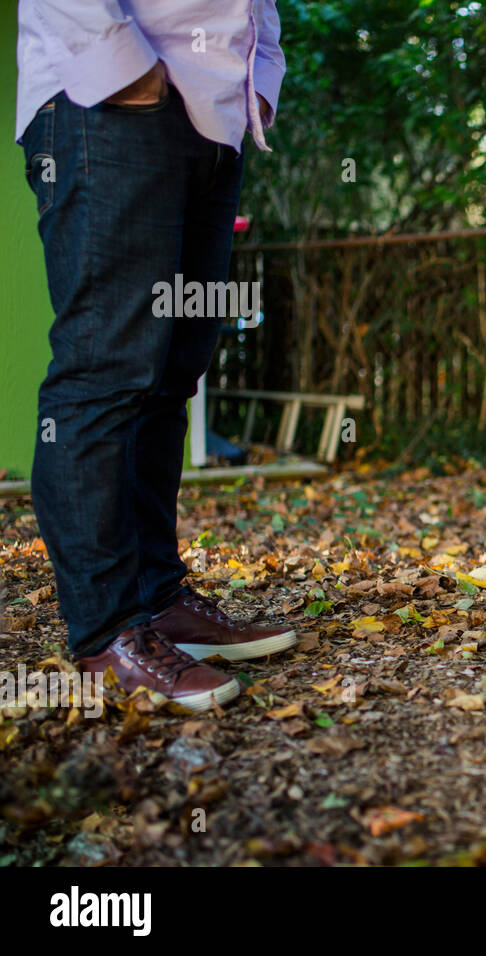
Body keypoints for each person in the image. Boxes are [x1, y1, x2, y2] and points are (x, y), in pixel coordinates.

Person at [16, 1, 294, 712]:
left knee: (171, 370)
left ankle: (156, 601)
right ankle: (107, 635)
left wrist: (260, 76)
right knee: (108, 368)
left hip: (214, 113)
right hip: (108, 96)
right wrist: (127, 68)